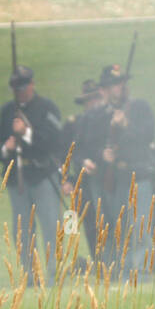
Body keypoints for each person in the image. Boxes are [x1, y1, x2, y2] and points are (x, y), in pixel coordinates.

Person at [0, 65, 65, 285]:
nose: (21, 91)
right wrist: (7, 147)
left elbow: (54, 140)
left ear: (32, 84)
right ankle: (29, 276)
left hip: (42, 175)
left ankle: (53, 275)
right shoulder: (6, 111)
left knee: (51, 225)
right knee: (22, 230)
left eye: (24, 86)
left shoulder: (47, 108)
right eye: (17, 87)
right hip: (17, 178)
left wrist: (27, 133)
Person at [80, 64, 155, 276]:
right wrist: (99, 156)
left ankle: (140, 275)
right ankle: (114, 275)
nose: (119, 88)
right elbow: (86, 146)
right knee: (111, 230)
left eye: (121, 83)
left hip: (137, 174)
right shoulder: (94, 116)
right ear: (103, 90)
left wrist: (125, 126)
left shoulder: (140, 108)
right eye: (113, 85)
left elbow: (148, 135)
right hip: (110, 181)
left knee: (139, 229)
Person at [62, 78, 104, 265]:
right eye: (89, 100)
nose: (93, 103)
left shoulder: (108, 118)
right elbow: (64, 153)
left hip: (106, 178)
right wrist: (66, 179)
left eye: (96, 99)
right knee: (89, 223)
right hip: (83, 180)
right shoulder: (74, 124)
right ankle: (98, 260)